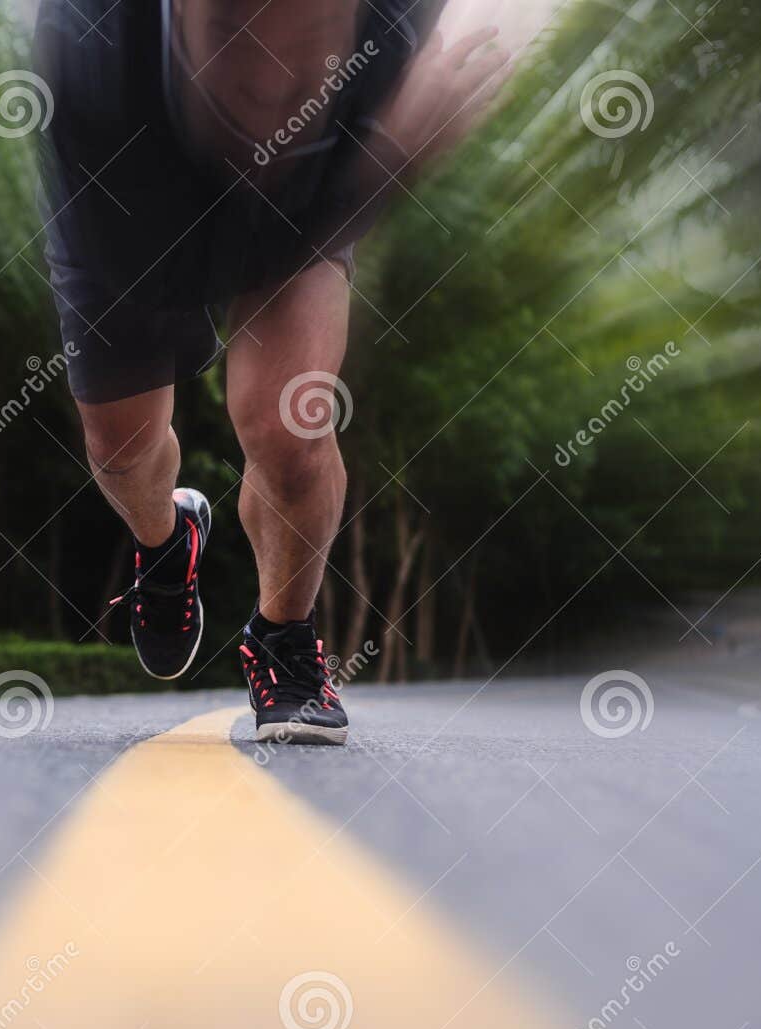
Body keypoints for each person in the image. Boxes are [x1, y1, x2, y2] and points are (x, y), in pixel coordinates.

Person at [34, 0, 509, 743]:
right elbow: (179, 279)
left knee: (291, 425)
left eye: (313, 39)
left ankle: (284, 636)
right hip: (131, 200)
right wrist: (384, 169)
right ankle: (165, 541)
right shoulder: (88, 62)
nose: (270, 82)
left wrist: (373, 154)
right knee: (120, 449)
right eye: (231, 33)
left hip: (316, 177)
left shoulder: (400, 21)